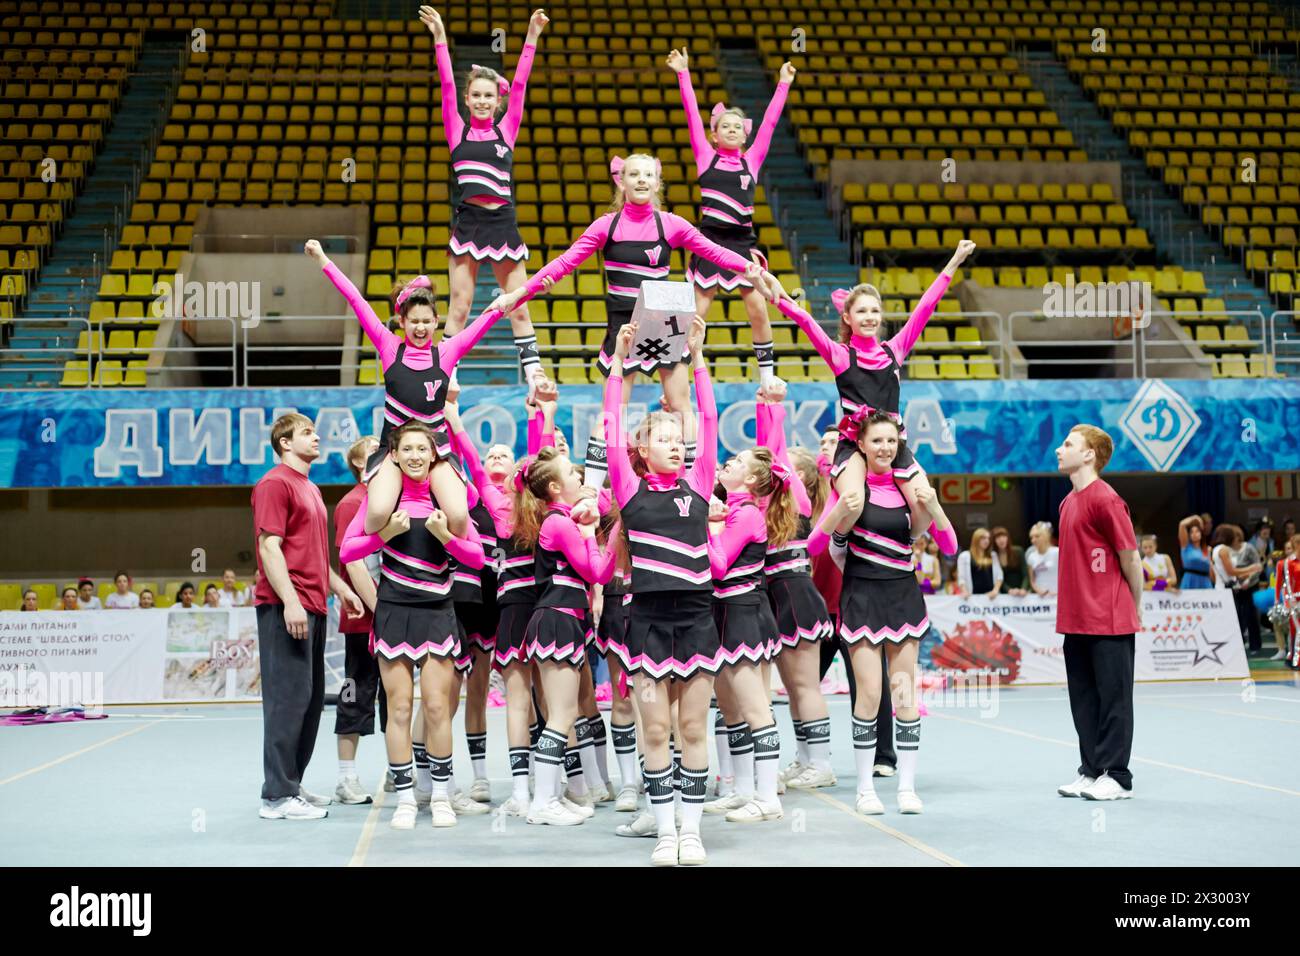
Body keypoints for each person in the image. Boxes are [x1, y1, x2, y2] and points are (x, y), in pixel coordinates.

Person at [487, 152, 782, 491]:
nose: (641, 180)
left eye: (648, 175)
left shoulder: (670, 224)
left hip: (664, 323)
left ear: (657, 183)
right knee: (613, 412)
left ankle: (694, 487)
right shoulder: (606, 226)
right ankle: (592, 491)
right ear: (621, 181)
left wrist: (755, 272)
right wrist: (516, 295)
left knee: (684, 406)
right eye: (634, 174)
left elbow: (713, 251)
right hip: (623, 327)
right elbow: (564, 264)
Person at [605, 317, 720, 866]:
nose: (675, 445)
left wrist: (696, 357)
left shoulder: (700, 484)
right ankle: (666, 831)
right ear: (643, 447)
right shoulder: (628, 489)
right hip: (647, 621)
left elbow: (711, 417)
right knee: (655, 728)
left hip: (697, 617)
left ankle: (693, 833)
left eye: (679, 439)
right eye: (664, 439)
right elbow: (611, 425)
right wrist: (622, 364)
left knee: (693, 726)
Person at [305, 239, 506, 539]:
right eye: (414, 322)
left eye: (427, 321)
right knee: (375, 514)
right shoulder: (389, 347)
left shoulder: (447, 352)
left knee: (459, 517)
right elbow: (356, 300)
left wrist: (510, 299)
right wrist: (322, 258)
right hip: (393, 449)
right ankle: (388, 555)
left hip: (435, 449)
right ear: (402, 321)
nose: (421, 328)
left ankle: (441, 567)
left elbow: (490, 317)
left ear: (437, 321)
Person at [340, 420, 486, 830]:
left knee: (438, 707)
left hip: (438, 611)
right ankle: (405, 796)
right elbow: (350, 550)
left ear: (434, 454)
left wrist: (447, 538)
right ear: (395, 456)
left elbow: (478, 559)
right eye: (408, 450)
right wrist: (384, 534)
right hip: (393, 611)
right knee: (399, 708)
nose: (416, 456)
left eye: (423, 449)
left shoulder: (445, 503)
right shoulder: (381, 501)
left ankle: (439, 794)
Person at [777, 240, 976, 535]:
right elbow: (805, 321)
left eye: (874, 311)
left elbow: (925, 306)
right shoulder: (841, 355)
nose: (869, 317)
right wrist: (775, 295)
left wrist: (954, 261)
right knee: (853, 503)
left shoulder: (894, 350)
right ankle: (840, 542)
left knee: (924, 507)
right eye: (861, 312)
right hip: (856, 446)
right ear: (847, 317)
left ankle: (899, 547)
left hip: (892, 444)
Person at [822, 410, 958, 815]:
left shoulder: (908, 491)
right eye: (876, 441)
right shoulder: (850, 491)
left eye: (891, 441)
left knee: (904, 695)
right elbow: (828, 549)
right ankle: (865, 788)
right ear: (860, 446)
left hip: (902, 599)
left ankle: (906, 787)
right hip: (862, 599)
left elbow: (948, 546)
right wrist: (838, 516)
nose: (884, 448)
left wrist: (934, 507)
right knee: (869, 693)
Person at [420, 5, 549, 397]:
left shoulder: (506, 130)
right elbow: (444, 84)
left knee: (518, 306)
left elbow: (522, 83)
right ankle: (448, 372)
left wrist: (531, 36)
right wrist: (440, 37)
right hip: (470, 223)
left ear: (497, 101)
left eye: (488, 96)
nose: (480, 101)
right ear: (466, 98)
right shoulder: (456, 129)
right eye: (474, 94)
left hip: (503, 224)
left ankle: (534, 374)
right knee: (460, 304)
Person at [252, 413, 365, 821]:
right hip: (287, 606)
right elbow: (269, 548)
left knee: (310, 700)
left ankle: (291, 784)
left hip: (314, 605)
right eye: (305, 432)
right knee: (287, 699)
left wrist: (342, 588)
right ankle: (276, 795)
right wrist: (290, 602)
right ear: (284, 443)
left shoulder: (311, 488)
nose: (316, 436)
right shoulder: (274, 484)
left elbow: (316, 554)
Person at [667, 47, 795, 384]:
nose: (733, 129)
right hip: (709, 243)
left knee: (758, 311)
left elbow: (770, 122)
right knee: (697, 313)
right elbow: (691, 113)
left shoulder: (750, 161)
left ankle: (767, 376)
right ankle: (681, 372)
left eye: (738, 126)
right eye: (726, 126)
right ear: (714, 134)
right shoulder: (705, 157)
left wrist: (783, 83)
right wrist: (683, 73)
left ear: (745, 134)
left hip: (741, 246)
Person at [514, 446, 618, 825]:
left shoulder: (562, 518)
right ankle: (542, 802)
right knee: (560, 715)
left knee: (566, 712)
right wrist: (597, 532)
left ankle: (552, 794)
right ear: (556, 488)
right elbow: (597, 573)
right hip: (556, 620)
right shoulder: (558, 523)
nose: (580, 478)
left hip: (566, 619)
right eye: (572, 474)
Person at [1053, 424, 1143, 802]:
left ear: (1089, 454)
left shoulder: (1106, 499)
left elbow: (1131, 558)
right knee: (1084, 699)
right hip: (1075, 621)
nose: (1060, 449)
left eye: (1069, 444)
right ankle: (1090, 771)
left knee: (1114, 700)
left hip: (1109, 619)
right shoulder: (1066, 503)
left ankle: (1117, 776)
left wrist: (1132, 609)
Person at [755, 386, 835, 791]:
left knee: (804, 685)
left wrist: (773, 409)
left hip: (796, 593)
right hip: (774, 594)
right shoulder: (768, 504)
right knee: (791, 687)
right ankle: (805, 759)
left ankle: (820, 762)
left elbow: (773, 450)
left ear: (798, 475)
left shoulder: (798, 499)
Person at [332, 435, 383, 806]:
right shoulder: (352, 503)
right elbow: (354, 562)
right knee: (356, 695)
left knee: (396, 698)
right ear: (360, 465)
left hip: (395, 617)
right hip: (365, 620)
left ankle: (401, 771)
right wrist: (379, 609)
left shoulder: (388, 499)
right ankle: (346, 778)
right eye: (372, 452)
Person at [1212, 525, 1263, 653]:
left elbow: (1228, 573)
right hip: (1225, 589)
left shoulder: (1217, 549)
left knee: (1235, 619)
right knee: (1231, 621)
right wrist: (1251, 568)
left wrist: (1246, 576)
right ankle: (1230, 650)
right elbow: (1231, 571)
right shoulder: (1223, 549)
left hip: (1228, 586)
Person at [1273, 534, 1300, 665]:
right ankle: (1293, 656)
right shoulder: (1284, 563)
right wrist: (1278, 601)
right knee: (1294, 629)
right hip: (1292, 599)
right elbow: (1281, 583)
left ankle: (1294, 656)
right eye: (1288, 548)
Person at [957, 528, 1002, 598]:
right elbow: (961, 578)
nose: (987, 541)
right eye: (983, 538)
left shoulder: (993, 555)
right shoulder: (964, 556)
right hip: (973, 597)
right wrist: (964, 591)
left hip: (991, 597)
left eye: (988, 538)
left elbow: (999, 576)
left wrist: (995, 591)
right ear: (976, 539)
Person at [1177, 515, 1214, 589]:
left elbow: (1211, 570)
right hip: (1190, 580)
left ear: (1201, 534)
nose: (1194, 534)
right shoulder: (1186, 546)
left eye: (1197, 531)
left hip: (1205, 581)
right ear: (1189, 535)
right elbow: (1182, 524)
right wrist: (1195, 518)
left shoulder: (1207, 549)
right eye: (1191, 532)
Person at [991, 526, 1028, 596]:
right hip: (1004, 594)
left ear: (1008, 538)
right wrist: (1008, 590)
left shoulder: (1018, 551)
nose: (1001, 540)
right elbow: (997, 578)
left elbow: (1025, 574)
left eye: (1004, 536)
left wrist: (1023, 588)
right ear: (994, 541)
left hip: (1021, 592)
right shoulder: (993, 555)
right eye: (998, 538)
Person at [1026, 521, 1059, 596]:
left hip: (1057, 595)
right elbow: (1032, 581)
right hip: (1040, 598)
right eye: (1031, 537)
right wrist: (1039, 591)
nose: (1033, 540)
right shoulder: (1031, 556)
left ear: (1045, 536)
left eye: (1037, 536)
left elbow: (1066, 575)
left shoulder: (1057, 552)